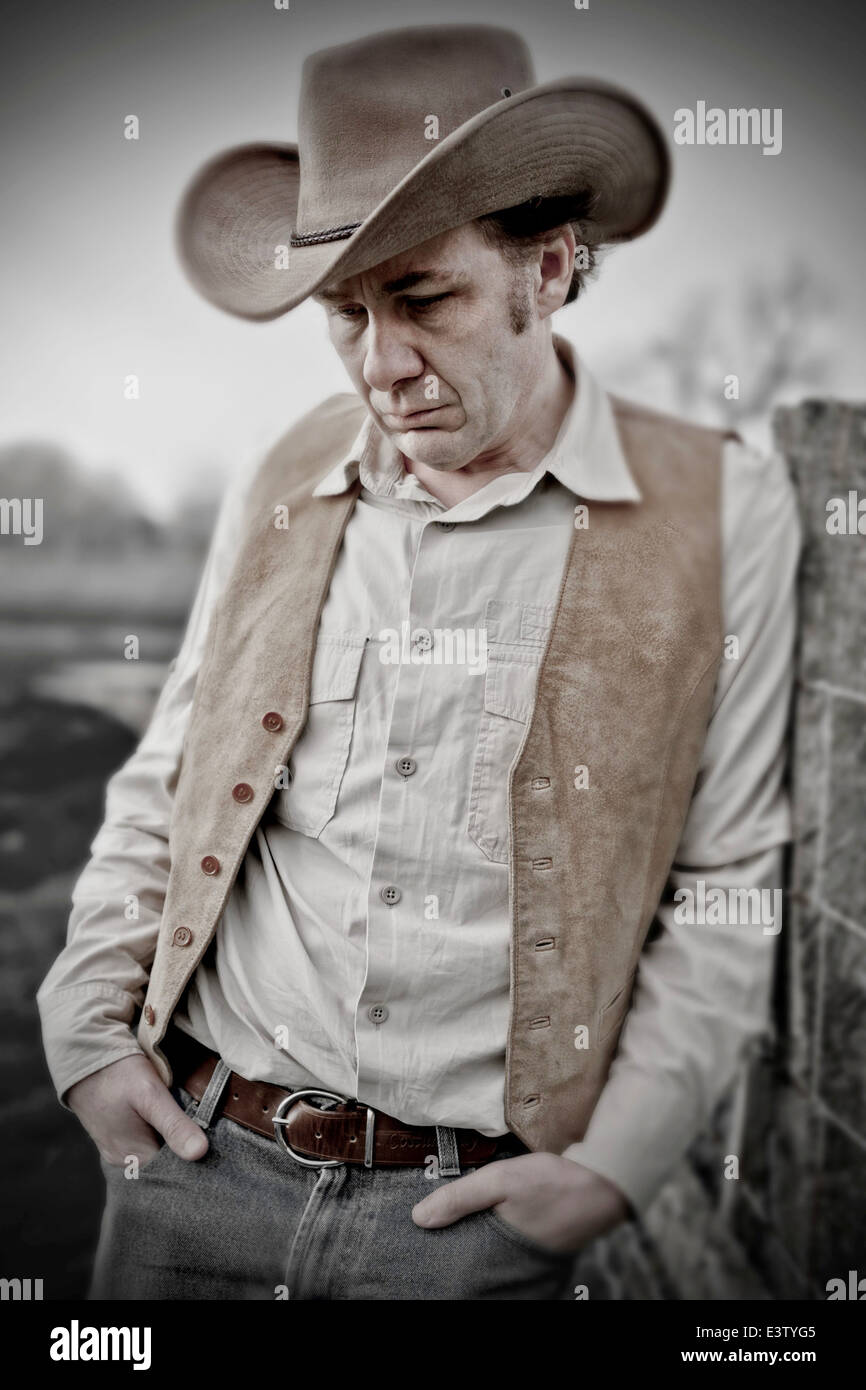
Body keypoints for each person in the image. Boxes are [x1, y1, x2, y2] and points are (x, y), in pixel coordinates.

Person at [37, 24, 800, 1301]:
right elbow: (174, 769)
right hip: (191, 1164)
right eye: (346, 313)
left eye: (423, 300)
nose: (381, 366)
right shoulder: (286, 474)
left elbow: (727, 874)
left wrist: (610, 1170)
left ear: (547, 269)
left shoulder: (723, 510)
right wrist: (86, 1029)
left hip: (472, 1228)